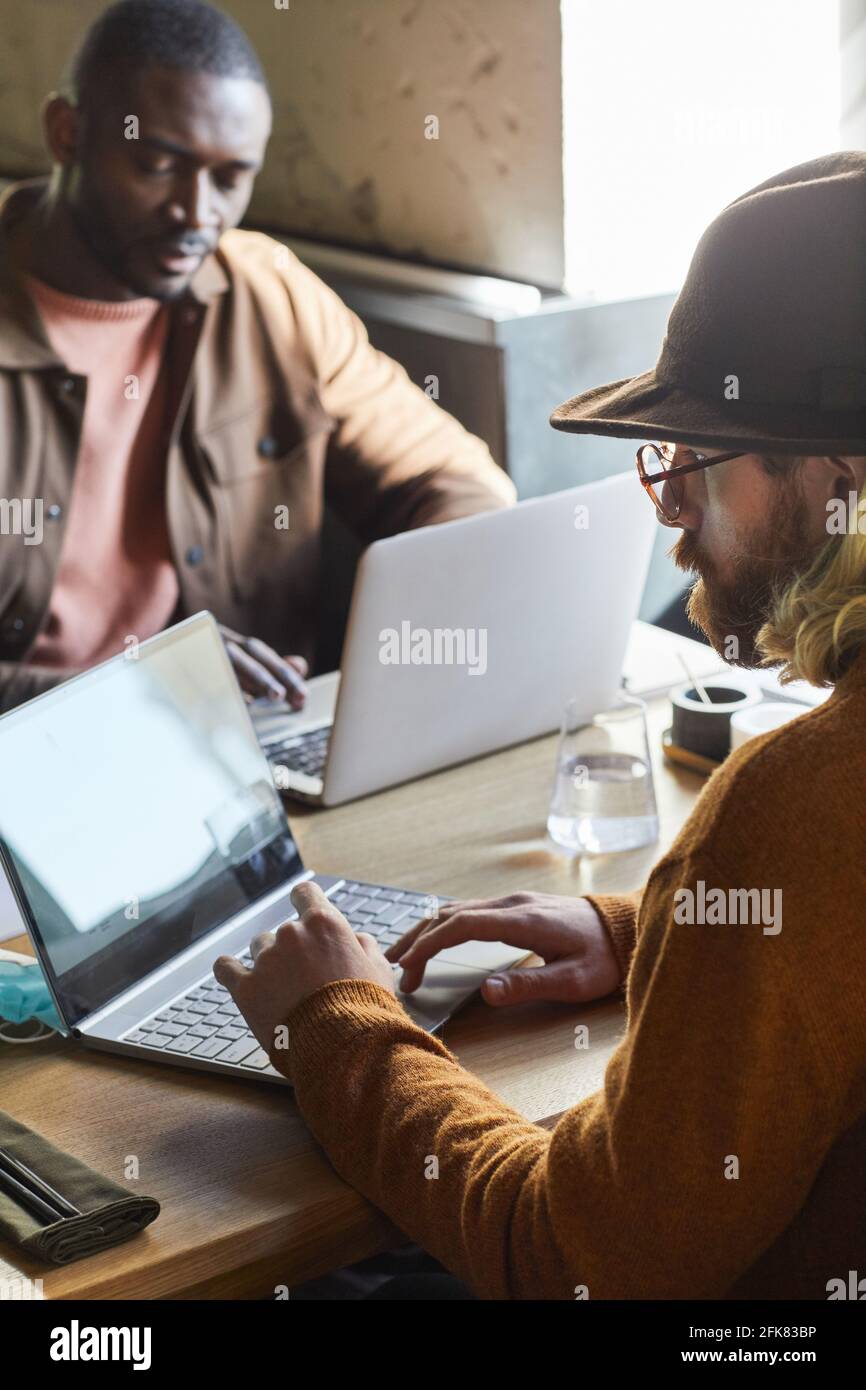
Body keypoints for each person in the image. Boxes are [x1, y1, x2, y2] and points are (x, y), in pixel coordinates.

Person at [215, 150, 866, 1300]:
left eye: (691, 470)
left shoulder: (795, 804)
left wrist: (337, 1023)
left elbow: (567, 1260)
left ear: (836, 480)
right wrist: (647, 934)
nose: (673, 524)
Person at [0, 0, 514, 714]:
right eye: (157, 164)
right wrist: (134, 690)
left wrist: (405, 647)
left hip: (246, 752)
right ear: (67, 132)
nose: (197, 212)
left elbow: (454, 482)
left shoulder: (269, 297)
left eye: (232, 177)